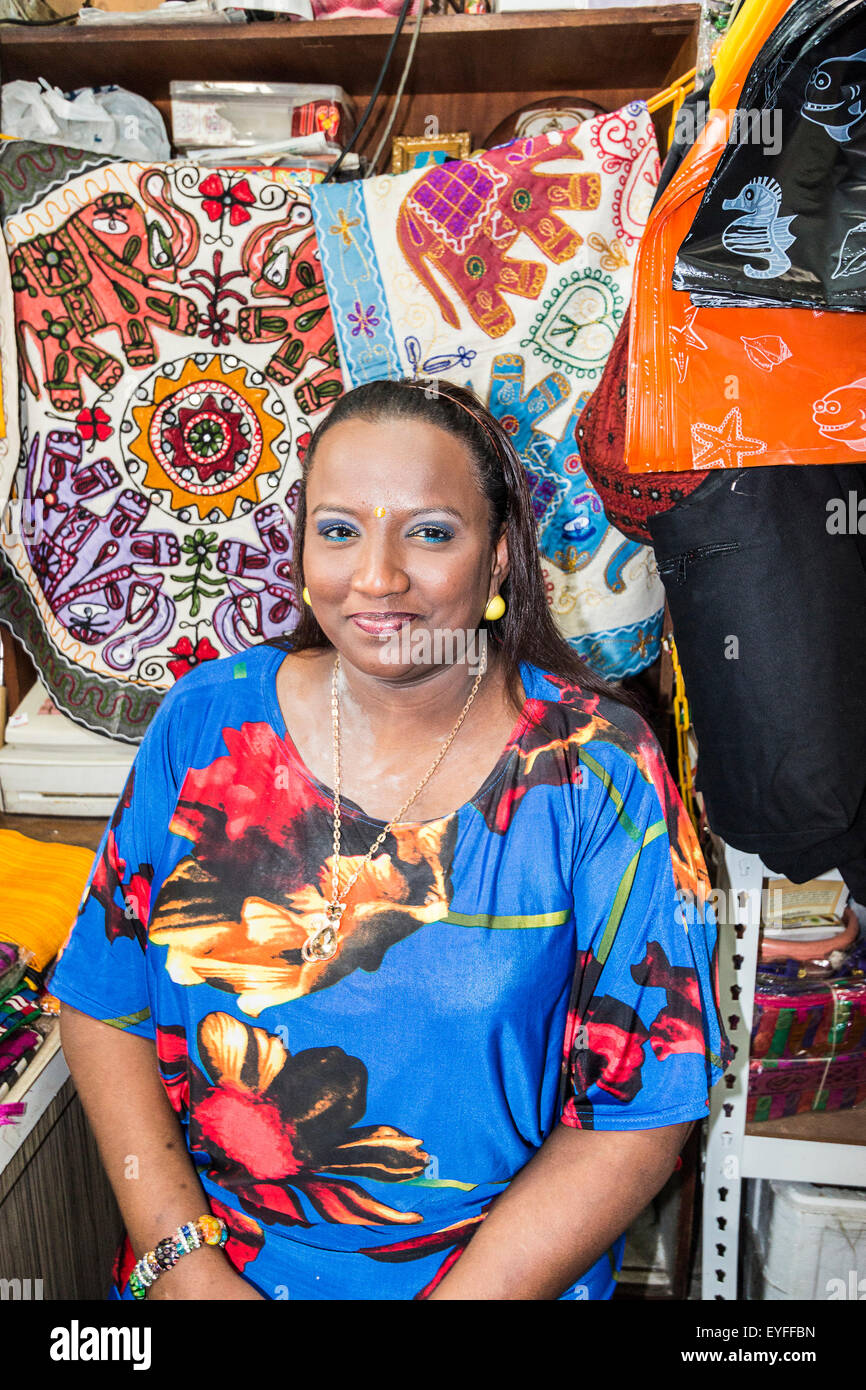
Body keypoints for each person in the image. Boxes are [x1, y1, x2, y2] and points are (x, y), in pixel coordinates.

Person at [51, 376, 732, 1301]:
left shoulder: (597, 771)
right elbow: (102, 997)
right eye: (338, 530)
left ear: (498, 557)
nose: (376, 577)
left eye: (430, 532)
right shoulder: (207, 722)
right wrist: (183, 1264)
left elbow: (644, 1105)